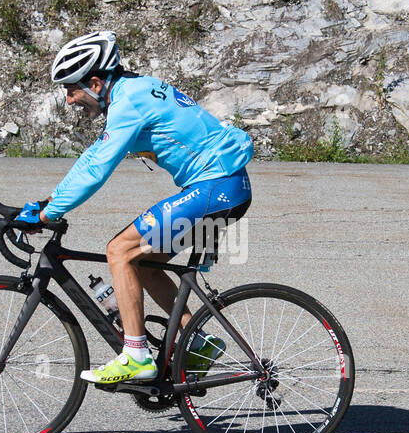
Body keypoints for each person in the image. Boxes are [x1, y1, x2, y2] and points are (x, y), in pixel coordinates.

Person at [16, 30, 253, 385]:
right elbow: (93, 156)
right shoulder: (132, 91)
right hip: (222, 185)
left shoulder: (130, 103)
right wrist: (49, 203)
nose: (69, 100)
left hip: (216, 186)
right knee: (143, 263)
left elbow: (98, 169)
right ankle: (199, 341)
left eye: (71, 89)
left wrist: (49, 214)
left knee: (120, 250)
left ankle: (136, 356)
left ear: (96, 82)